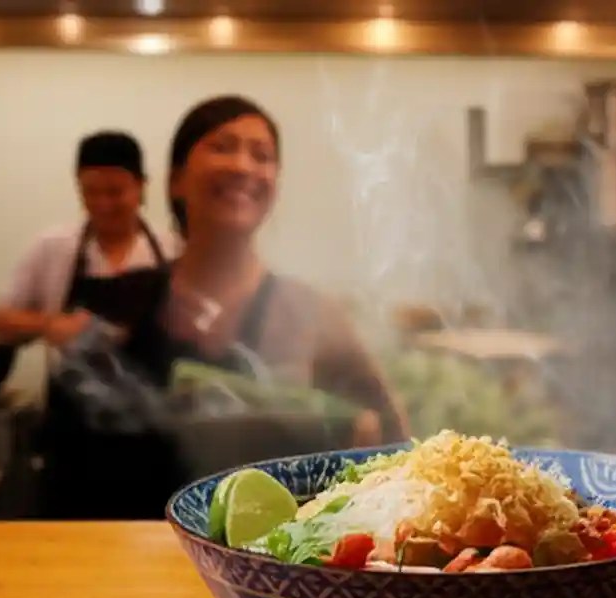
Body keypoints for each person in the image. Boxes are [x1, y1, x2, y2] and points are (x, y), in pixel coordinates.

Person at [122, 94, 408, 444]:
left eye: (262, 156)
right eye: (222, 147)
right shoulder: (125, 301)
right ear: (176, 180)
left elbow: (393, 435)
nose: (243, 166)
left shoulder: (312, 316)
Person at [0, 130, 179, 519]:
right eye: (91, 192)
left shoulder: (175, 250)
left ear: (142, 187)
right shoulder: (53, 248)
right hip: (75, 439)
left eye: (116, 191)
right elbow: (0, 322)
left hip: (156, 440)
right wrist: (49, 323)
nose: (103, 204)